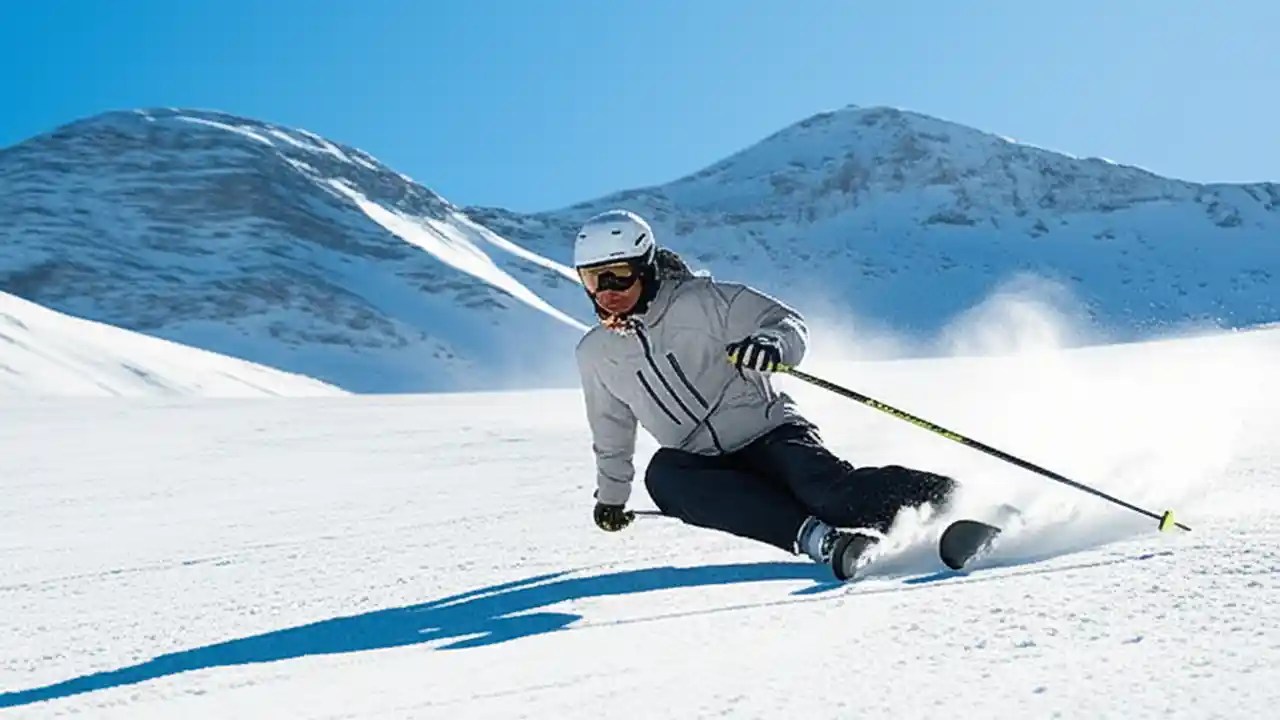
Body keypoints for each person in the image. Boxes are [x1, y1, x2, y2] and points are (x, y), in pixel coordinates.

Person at [572, 209, 957, 580]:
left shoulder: (705, 302)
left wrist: (771, 345)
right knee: (664, 476)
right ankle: (824, 542)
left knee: (828, 496)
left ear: (646, 267)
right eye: (594, 279)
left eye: (619, 276)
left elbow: (785, 322)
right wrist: (611, 496)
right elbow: (611, 431)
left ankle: (954, 503)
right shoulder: (595, 353)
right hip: (703, 461)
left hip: (769, 432)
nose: (607, 292)